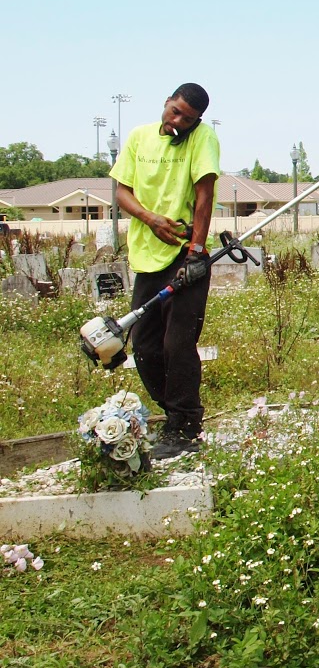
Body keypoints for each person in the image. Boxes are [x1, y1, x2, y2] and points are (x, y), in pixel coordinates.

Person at [108, 83, 220, 459]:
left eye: (187, 119)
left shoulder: (202, 138)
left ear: (197, 120)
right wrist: (149, 218)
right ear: (166, 102)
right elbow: (122, 190)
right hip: (146, 255)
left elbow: (204, 197)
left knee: (178, 344)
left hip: (186, 253)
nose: (178, 121)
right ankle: (173, 415)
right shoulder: (139, 137)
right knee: (145, 346)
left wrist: (196, 253)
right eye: (174, 111)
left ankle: (187, 426)